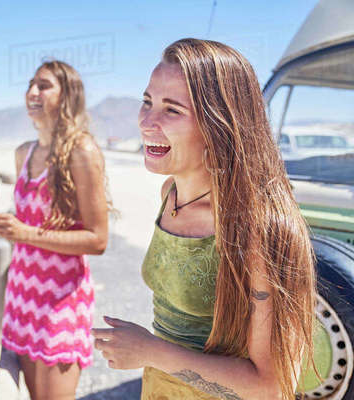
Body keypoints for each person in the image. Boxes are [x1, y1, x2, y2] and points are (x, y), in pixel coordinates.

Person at [92, 38, 317, 400]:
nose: (148, 121)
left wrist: (150, 351)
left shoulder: (261, 228)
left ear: (220, 124)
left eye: (172, 110)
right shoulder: (170, 193)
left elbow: (271, 388)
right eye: (147, 102)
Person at [0, 60, 110, 399]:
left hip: (60, 300)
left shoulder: (81, 151)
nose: (32, 92)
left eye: (44, 86)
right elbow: (28, 222)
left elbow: (98, 239)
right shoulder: (23, 154)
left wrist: (24, 233)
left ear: (67, 95)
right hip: (22, 298)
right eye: (30, 84)